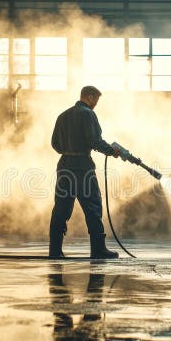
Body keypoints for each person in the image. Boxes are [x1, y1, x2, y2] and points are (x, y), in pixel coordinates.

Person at [49, 86, 121, 259]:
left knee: (61, 209)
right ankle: (98, 250)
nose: (96, 105)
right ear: (89, 97)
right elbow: (95, 141)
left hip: (64, 166)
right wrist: (112, 151)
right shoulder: (88, 114)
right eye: (95, 100)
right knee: (93, 207)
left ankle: (55, 251)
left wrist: (69, 149)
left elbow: (55, 145)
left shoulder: (63, 115)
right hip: (82, 167)